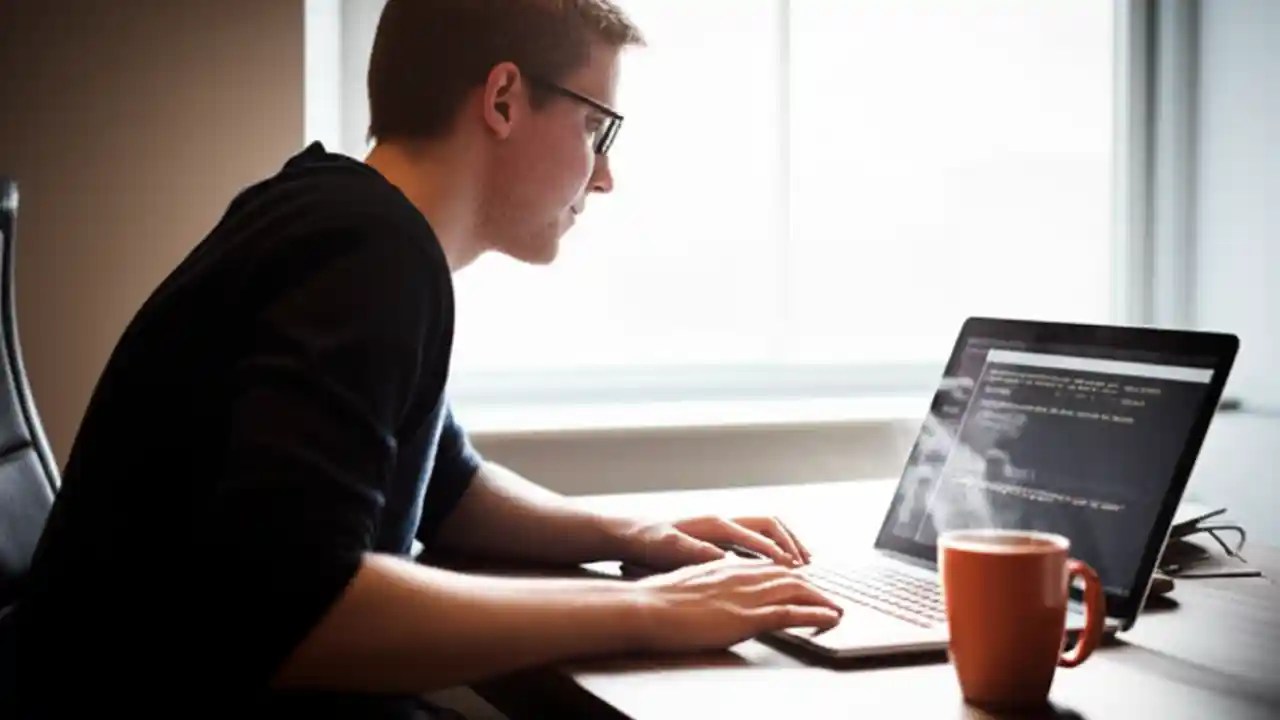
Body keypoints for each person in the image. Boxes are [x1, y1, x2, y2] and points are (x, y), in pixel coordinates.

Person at [14, 1, 842, 717]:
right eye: (596, 127)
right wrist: (646, 612)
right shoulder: (369, 253)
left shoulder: (336, 215)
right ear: (505, 99)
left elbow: (448, 489)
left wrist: (640, 533)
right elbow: (299, 609)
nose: (606, 175)